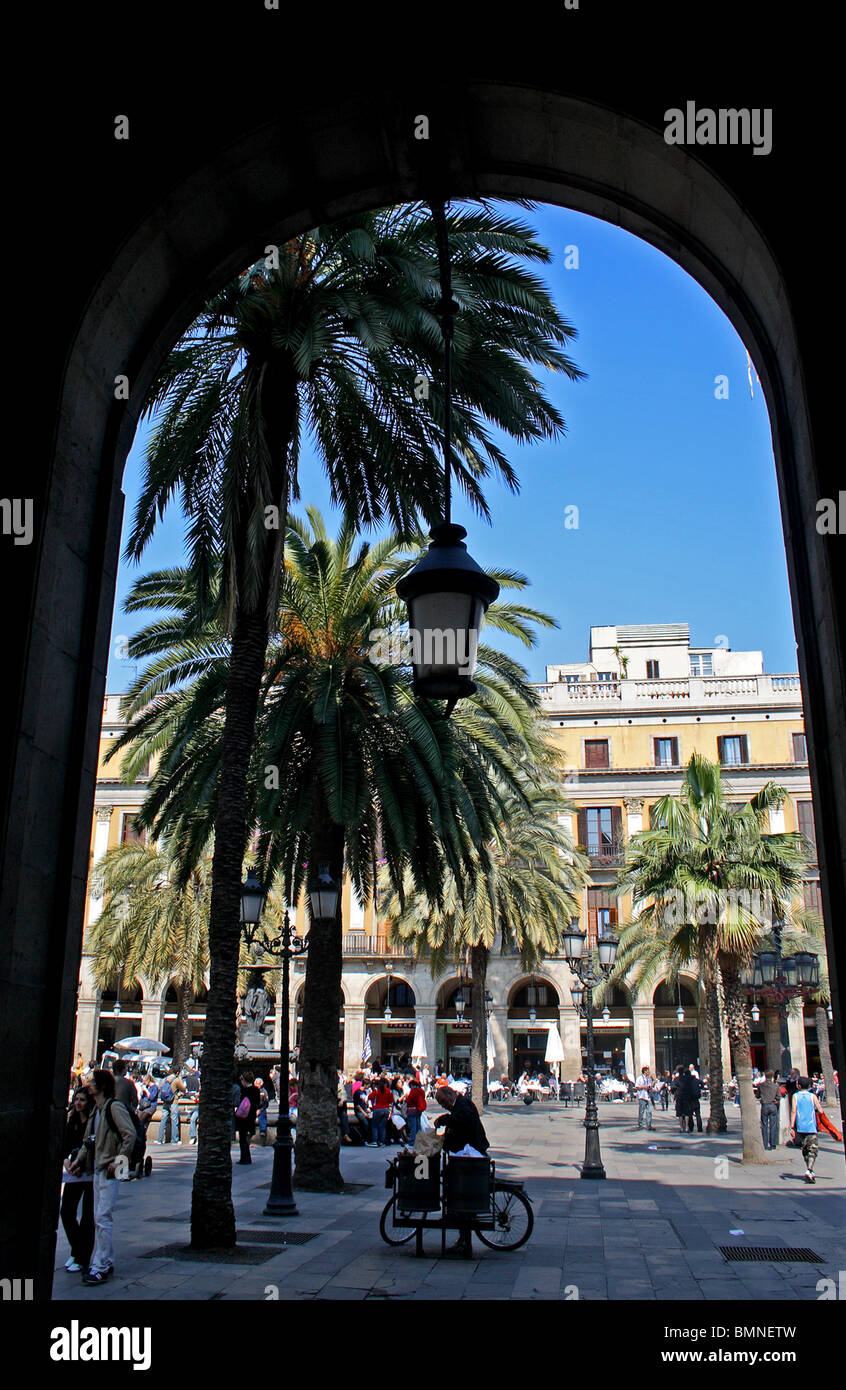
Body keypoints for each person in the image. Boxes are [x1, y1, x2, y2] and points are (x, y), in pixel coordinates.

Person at [67, 1069, 136, 1286]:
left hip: (109, 1169)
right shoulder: (98, 1109)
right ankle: (106, 1259)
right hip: (98, 1169)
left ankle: (100, 1265)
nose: (89, 1084)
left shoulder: (113, 1107)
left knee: (103, 1217)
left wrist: (119, 1162)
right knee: (100, 1217)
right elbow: (90, 1140)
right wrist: (78, 1161)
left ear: (102, 1086)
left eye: (93, 1082)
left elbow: (130, 1134)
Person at [433, 1087, 490, 1257]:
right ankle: (459, 1230)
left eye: (443, 1102)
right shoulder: (459, 1105)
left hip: (471, 1157)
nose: (444, 1106)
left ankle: (464, 1238)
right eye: (441, 1104)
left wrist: (445, 1120)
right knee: (454, 1187)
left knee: (461, 1195)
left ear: (451, 1096)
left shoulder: (463, 1105)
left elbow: (462, 1121)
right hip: (464, 1155)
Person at [60, 1088, 96, 1273]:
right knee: (66, 1211)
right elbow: (64, 1144)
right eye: (76, 1099)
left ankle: (82, 1258)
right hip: (73, 1172)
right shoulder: (72, 1119)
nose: (78, 1103)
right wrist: (66, 1160)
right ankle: (77, 1250)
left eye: (82, 1100)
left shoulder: (93, 1122)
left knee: (88, 1217)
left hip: (89, 1171)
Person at [790, 1076, 824, 1183]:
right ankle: (809, 1169)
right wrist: (815, 1113)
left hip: (800, 1127)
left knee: (805, 1149)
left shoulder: (795, 1096)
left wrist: (792, 1126)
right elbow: (820, 1110)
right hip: (811, 1127)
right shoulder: (812, 1096)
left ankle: (810, 1170)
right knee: (812, 1149)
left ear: (799, 1086)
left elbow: (794, 1111)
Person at [235, 1071, 260, 1163]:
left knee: (243, 1138)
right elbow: (258, 1102)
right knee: (247, 1138)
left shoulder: (244, 1091)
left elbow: (239, 1102)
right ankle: (247, 1157)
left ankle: (244, 1158)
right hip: (252, 1115)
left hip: (244, 1117)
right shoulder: (256, 1090)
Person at [155, 1069, 185, 1145]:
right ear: (177, 1072)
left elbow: (160, 1088)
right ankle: (174, 1140)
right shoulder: (176, 1080)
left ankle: (159, 1139)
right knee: (174, 1120)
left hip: (165, 1101)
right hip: (173, 1101)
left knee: (163, 1120)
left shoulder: (164, 1079)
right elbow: (183, 1089)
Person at [755, 1069, 780, 1150]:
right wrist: (775, 1100)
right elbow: (778, 1097)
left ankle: (765, 1144)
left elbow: (757, 1096)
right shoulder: (776, 1086)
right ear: (772, 1076)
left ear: (765, 1076)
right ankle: (773, 1144)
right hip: (773, 1105)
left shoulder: (761, 1085)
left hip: (764, 1105)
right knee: (773, 1125)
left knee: (764, 1125)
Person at [369, 1077, 393, 1146]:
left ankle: (375, 1141)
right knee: (382, 1126)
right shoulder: (388, 1091)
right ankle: (382, 1141)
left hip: (377, 1109)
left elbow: (370, 1097)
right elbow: (391, 1101)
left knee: (375, 1126)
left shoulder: (376, 1090)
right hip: (386, 1110)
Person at [404, 1075, 427, 1145]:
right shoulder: (421, 1091)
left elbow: (409, 1100)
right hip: (418, 1109)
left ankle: (412, 1141)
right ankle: (419, 1139)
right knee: (418, 1125)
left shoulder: (413, 1091)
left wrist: (406, 1099)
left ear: (412, 1085)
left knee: (413, 1126)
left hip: (412, 1109)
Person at [634, 1066, 654, 1130]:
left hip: (647, 1096)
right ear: (645, 1072)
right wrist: (644, 1087)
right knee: (641, 1111)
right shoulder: (639, 1078)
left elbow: (649, 1086)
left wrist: (650, 1087)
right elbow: (636, 1087)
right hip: (642, 1096)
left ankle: (649, 1125)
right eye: (648, 1071)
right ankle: (640, 1124)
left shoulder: (648, 1078)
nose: (649, 1072)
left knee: (649, 1111)